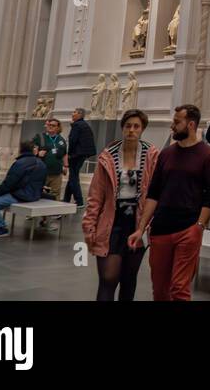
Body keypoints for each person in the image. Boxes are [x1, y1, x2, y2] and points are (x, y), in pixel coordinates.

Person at [130, 104, 210, 301]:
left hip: (188, 229)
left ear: (191, 124)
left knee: (179, 288)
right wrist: (141, 227)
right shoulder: (167, 154)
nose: (172, 126)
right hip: (161, 229)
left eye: (177, 122)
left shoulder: (207, 155)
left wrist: (199, 226)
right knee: (160, 290)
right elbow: (154, 193)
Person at [83, 109, 159, 301]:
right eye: (128, 126)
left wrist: (149, 225)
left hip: (137, 224)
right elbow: (96, 194)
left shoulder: (151, 156)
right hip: (111, 223)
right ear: (122, 128)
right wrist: (89, 225)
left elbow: (155, 192)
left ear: (142, 130)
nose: (131, 130)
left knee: (129, 278)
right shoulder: (108, 156)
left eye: (136, 126)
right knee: (108, 278)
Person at [0, 141, 47, 239]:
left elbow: (9, 183)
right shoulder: (41, 163)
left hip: (21, 195)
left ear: (21, 150)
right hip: (34, 194)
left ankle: (1, 227)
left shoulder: (20, 163)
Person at [32, 117, 68, 229]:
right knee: (39, 191)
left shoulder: (61, 140)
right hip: (42, 171)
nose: (50, 127)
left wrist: (66, 166)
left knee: (55, 193)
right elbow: (33, 149)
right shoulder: (41, 137)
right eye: (49, 125)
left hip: (56, 171)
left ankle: (52, 214)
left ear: (58, 127)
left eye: (53, 125)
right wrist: (37, 154)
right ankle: (35, 212)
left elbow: (64, 154)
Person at [64, 107, 96, 207]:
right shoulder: (84, 125)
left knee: (73, 177)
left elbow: (73, 140)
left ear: (80, 115)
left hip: (76, 154)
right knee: (72, 176)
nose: (72, 114)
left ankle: (79, 200)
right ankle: (66, 199)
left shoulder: (77, 125)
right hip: (81, 154)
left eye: (74, 112)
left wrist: (69, 154)